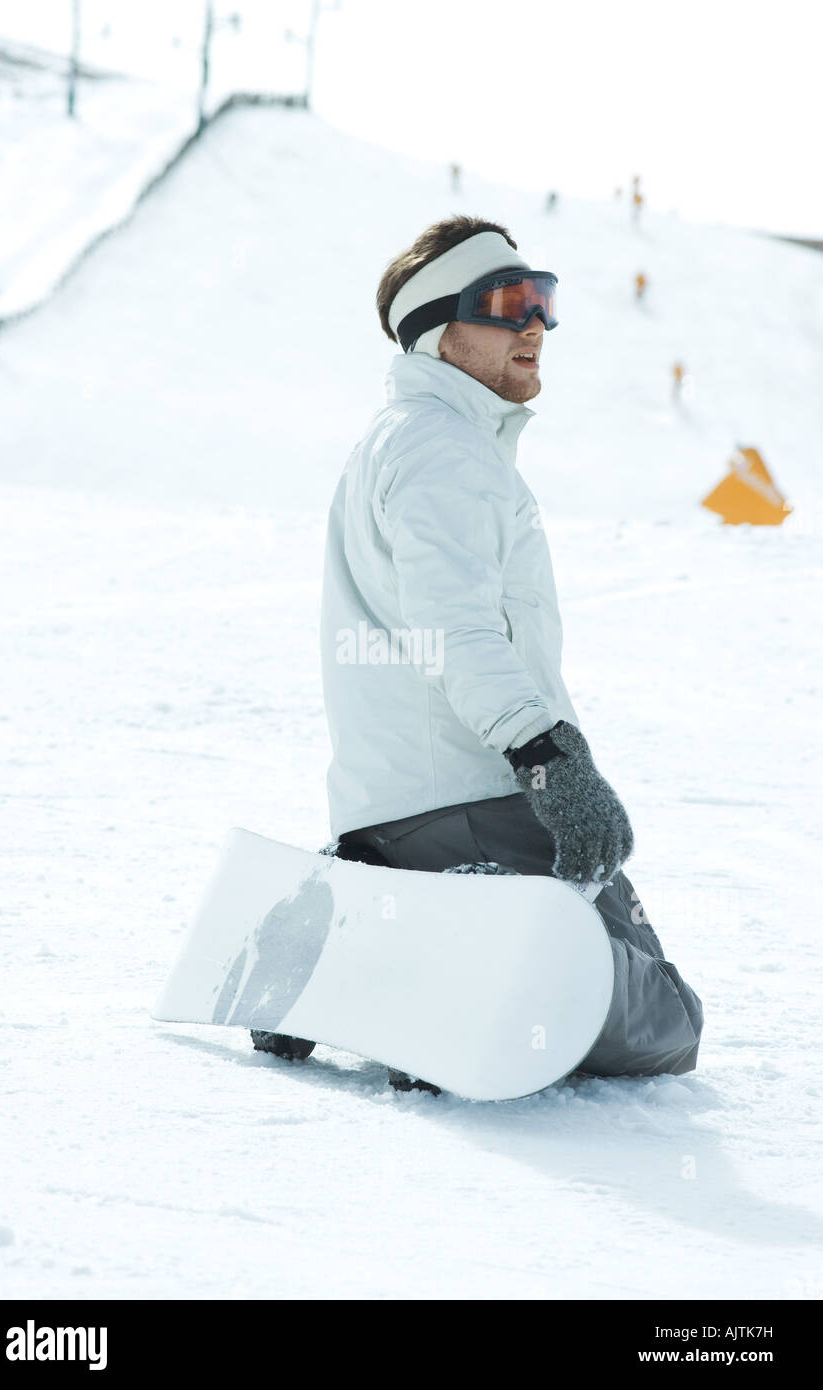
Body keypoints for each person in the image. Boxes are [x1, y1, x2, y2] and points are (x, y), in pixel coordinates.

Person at [257, 216, 704, 1093]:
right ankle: (462, 951)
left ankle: (362, 936)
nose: (535, 324)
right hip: (479, 797)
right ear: (437, 328)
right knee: (667, 1022)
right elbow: (456, 630)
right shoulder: (446, 451)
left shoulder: (401, 440)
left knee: (606, 981)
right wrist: (547, 756)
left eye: (544, 301)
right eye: (507, 303)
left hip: (391, 813)